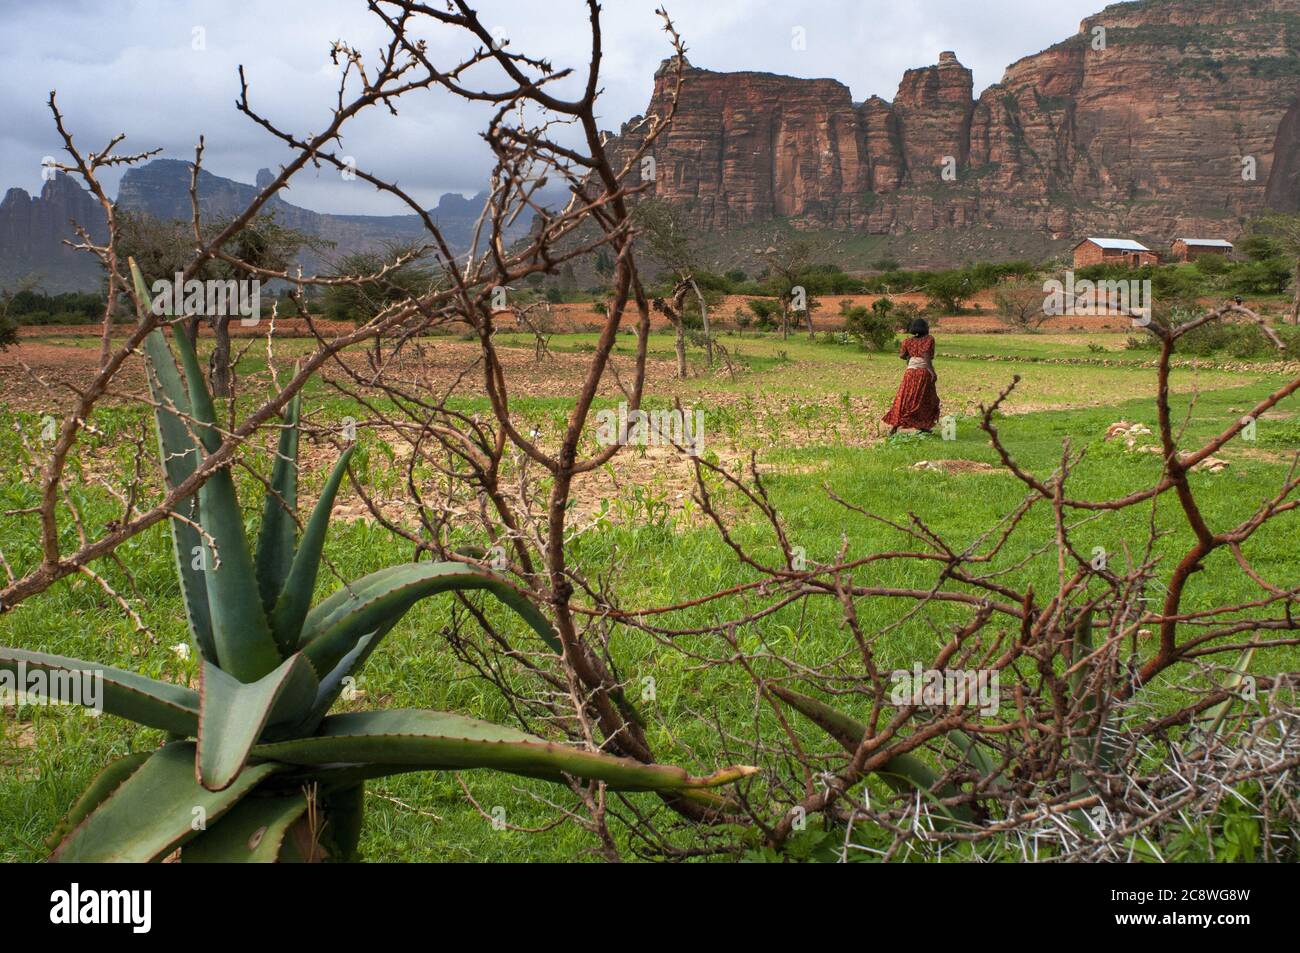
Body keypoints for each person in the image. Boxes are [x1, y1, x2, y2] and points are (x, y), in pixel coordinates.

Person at [883, 317, 940, 435]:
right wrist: (932, 372)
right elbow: (926, 355)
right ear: (925, 328)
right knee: (924, 399)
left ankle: (895, 426)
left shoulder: (908, 341)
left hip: (910, 373)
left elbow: (902, 355)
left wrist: (910, 357)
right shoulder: (929, 339)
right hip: (922, 373)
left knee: (905, 398)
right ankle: (922, 424)